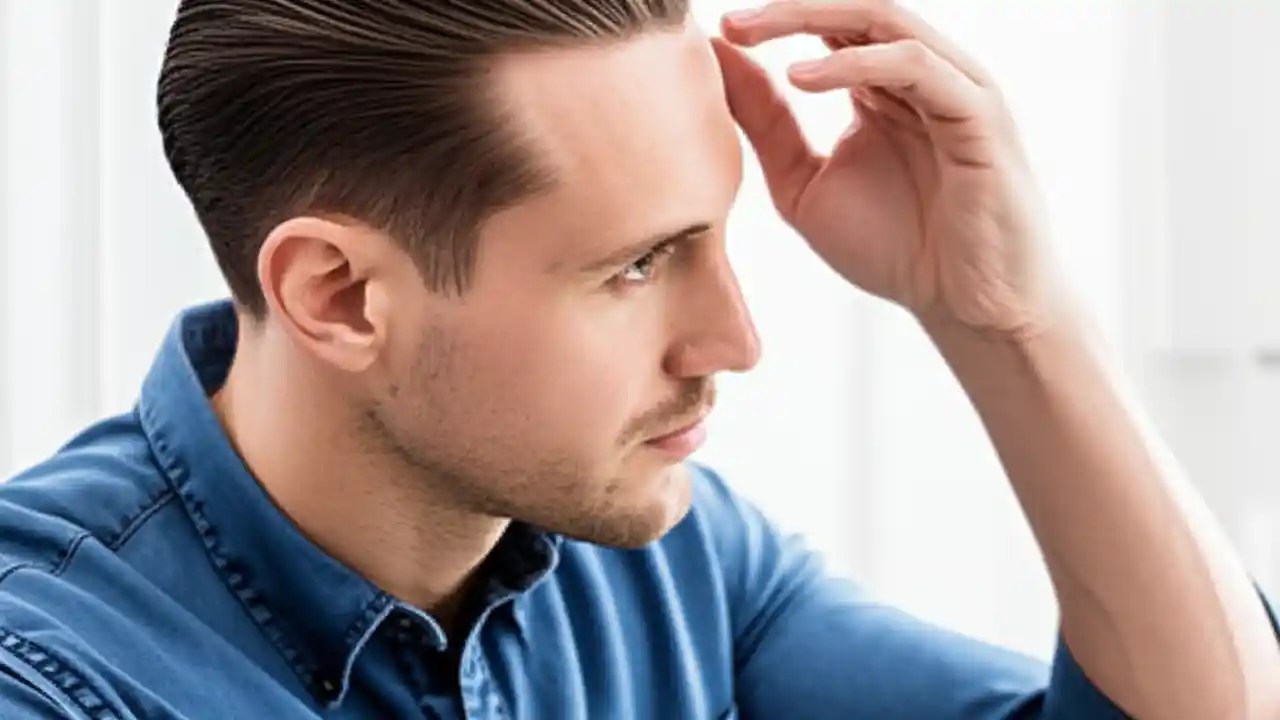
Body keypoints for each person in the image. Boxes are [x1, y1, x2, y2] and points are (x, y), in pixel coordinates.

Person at [0, 0, 1276, 717]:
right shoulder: (52, 678)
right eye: (634, 265)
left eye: (719, 236)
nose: (735, 340)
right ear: (338, 297)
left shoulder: (675, 565)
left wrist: (1006, 317)